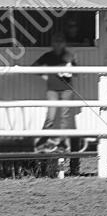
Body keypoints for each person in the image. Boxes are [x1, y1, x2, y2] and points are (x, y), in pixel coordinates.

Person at [34, 40, 81, 174]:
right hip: (53, 90)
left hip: (66, 89)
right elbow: (34, 68)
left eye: (60, 42)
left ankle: (62, 146)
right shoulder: (48, 55)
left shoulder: (69, 55)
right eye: (56, 41)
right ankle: (42, 145)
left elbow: (77, 73)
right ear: (53, 44)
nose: (58, 44)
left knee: (65, 118)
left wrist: (72, 65)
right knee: (51, 117)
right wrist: (46, 76)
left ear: (63, 44)